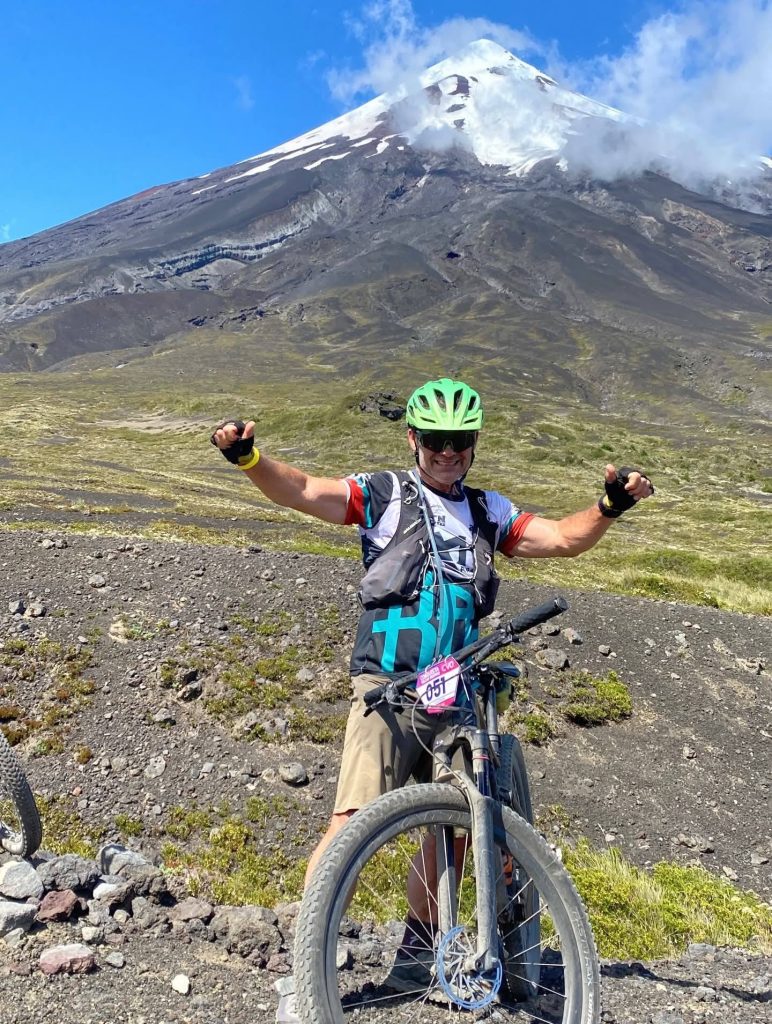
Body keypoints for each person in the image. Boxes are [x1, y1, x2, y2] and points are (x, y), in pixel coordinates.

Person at [211, 377, 654, 1022]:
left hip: (454, 688)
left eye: (461, 441)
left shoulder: (486, 510)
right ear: (415, 439)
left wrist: (608, 507)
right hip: (388, 685)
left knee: (453, 829)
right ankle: (305, 972)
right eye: (438, 441)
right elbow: (305, 491)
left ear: (473, 444)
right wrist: (249, 459)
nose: (449, 453)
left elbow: (559, 537)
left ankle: (422, 948)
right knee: (350, 825)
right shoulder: (385, 495)